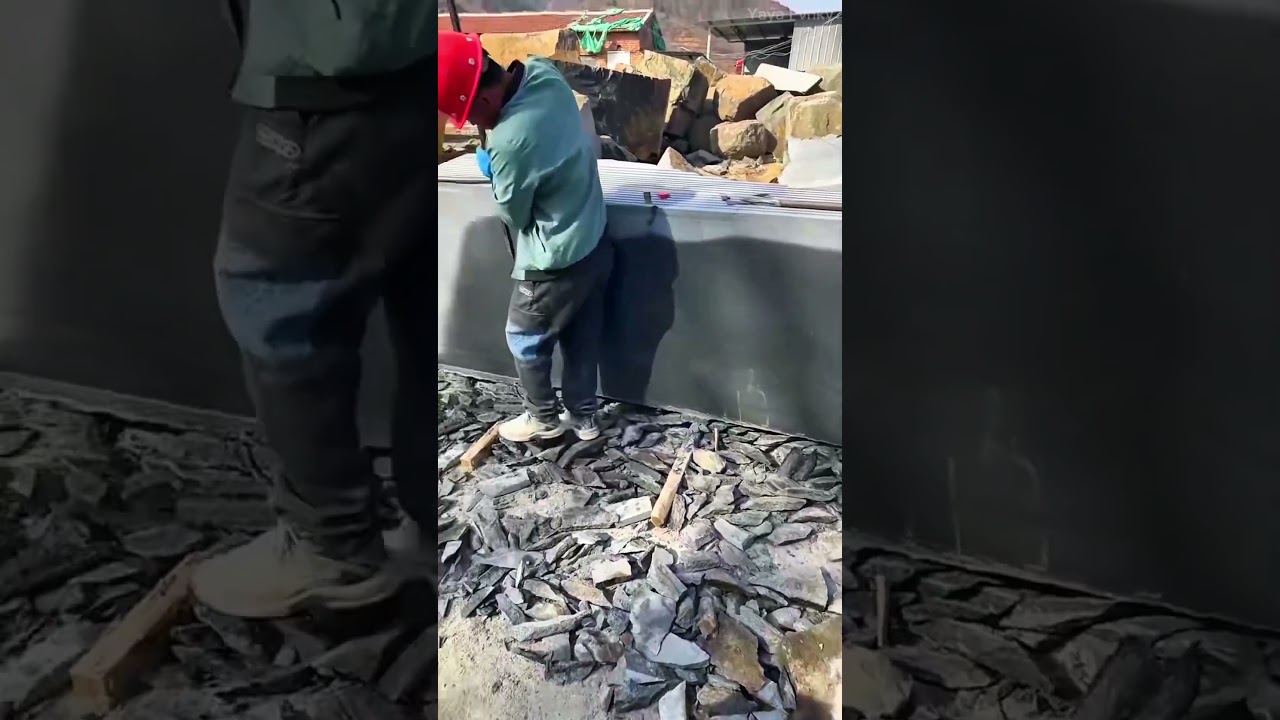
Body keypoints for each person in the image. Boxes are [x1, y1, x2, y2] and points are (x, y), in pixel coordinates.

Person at [190, 1, 437, 619]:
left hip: (331, 72)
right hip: (409, 64)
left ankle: (334, 548)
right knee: (420, 297)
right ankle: (431, 519)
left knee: (275, 296)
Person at [437, 31, 614, 445]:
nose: (474, 125)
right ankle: (584, 417)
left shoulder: (508, 141)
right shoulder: (544, 73)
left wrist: (494, 171)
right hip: (593, 235)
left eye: (470, 116)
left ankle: (543, 418)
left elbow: (514, 215)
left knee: (524, 337)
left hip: (553, 258)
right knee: (580, 335)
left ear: (484, 100)